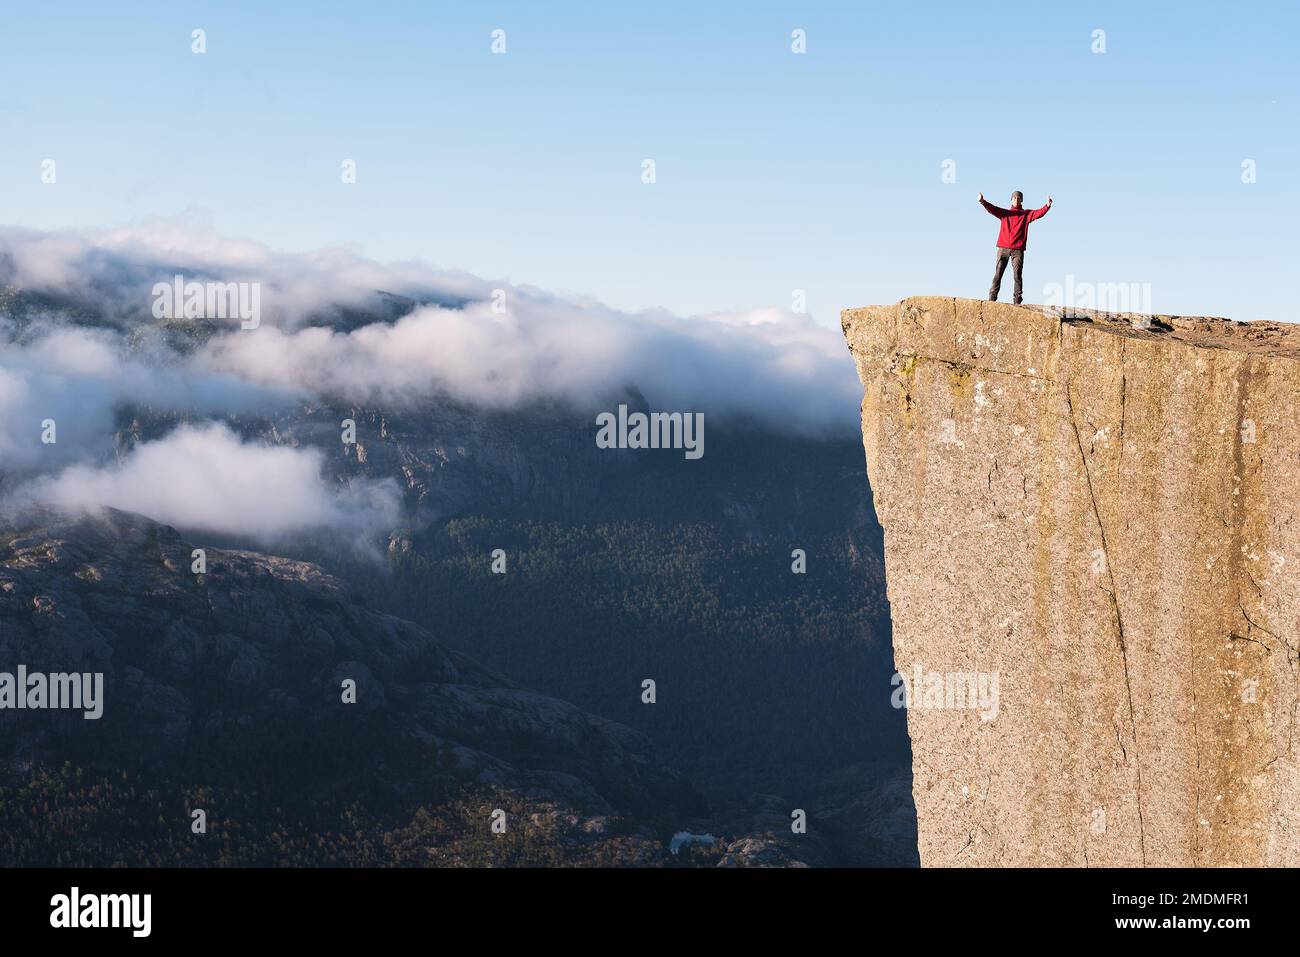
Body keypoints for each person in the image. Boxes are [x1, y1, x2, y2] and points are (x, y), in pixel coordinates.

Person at [979, 190, 1052, 305]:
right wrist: (983, 201)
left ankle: (1017, 301)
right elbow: (992, 209)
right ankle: (992, 298)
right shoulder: (1005, 213)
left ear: (1021, 200)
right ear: (1011, 200)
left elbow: (1038, 213)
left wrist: (1047, 206)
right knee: (998, 273)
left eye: (1018, 198)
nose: (1016, 200)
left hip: (1018, 250)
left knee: (1017, 274)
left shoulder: (1026, 215)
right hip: (1003, 248)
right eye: (1014, 198)